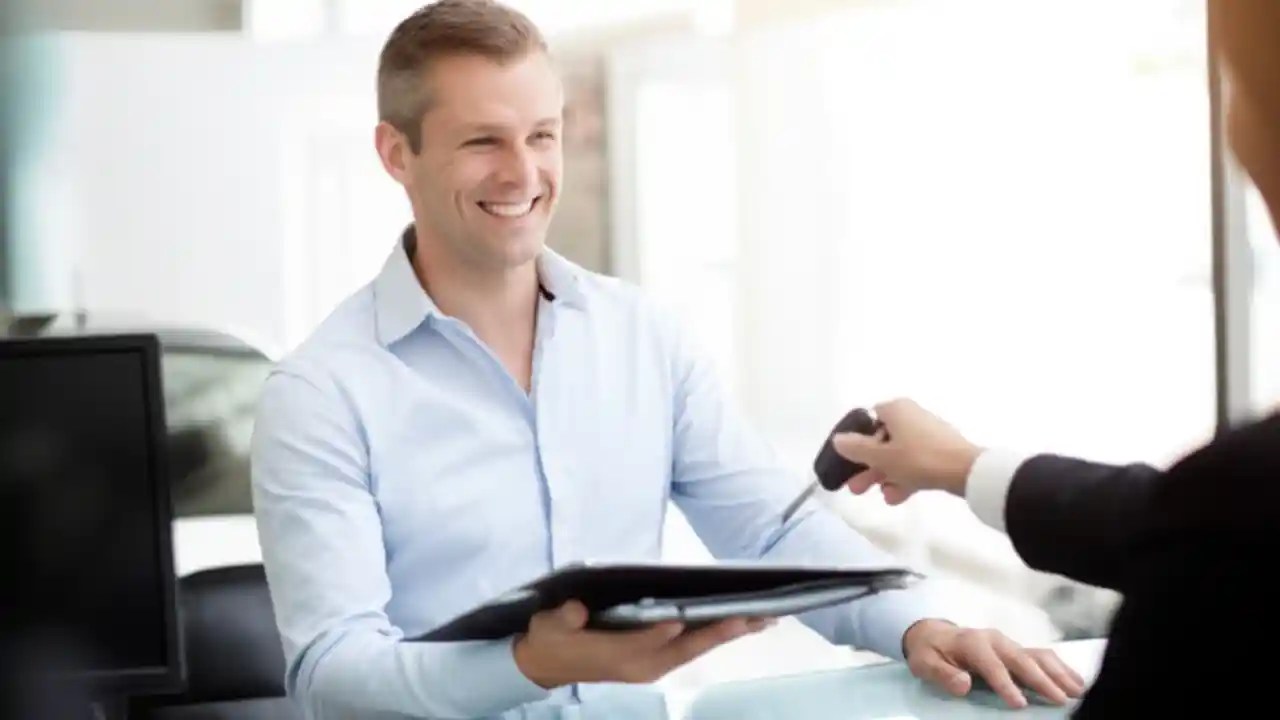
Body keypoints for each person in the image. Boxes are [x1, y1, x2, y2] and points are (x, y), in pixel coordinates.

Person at [250, 1, 1083, 718]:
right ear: (397, 154)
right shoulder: (321, 392)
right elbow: (332, 674)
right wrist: (529, 667)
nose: (525, 172)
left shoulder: (643, 336)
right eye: (483, 142)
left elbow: (772, 526)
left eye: (542, 135)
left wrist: (920, 623)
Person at [832, 1, 1280, 715]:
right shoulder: (1230, 504)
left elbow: (1213, 529)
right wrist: (960, 465)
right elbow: (1166, 519)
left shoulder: (1238, 505)